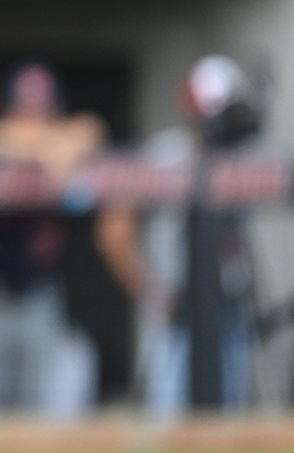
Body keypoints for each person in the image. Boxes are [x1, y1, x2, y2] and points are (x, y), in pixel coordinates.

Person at [96, 55, 261, 415]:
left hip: (229, 309)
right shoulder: (162, 156)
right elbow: (113, 231)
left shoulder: (244, 156)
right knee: (170, 425)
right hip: (176, 312)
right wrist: (153, 292)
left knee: (228, 426)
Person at [0, 61, 104, 416]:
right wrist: (33, 144)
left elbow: (90, 129)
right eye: (23, 110)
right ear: (5, 109)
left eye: (42, 111)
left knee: (37, 417)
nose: (33, 118)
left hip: (40, 298)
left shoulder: (70, 143)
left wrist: (50, 145)